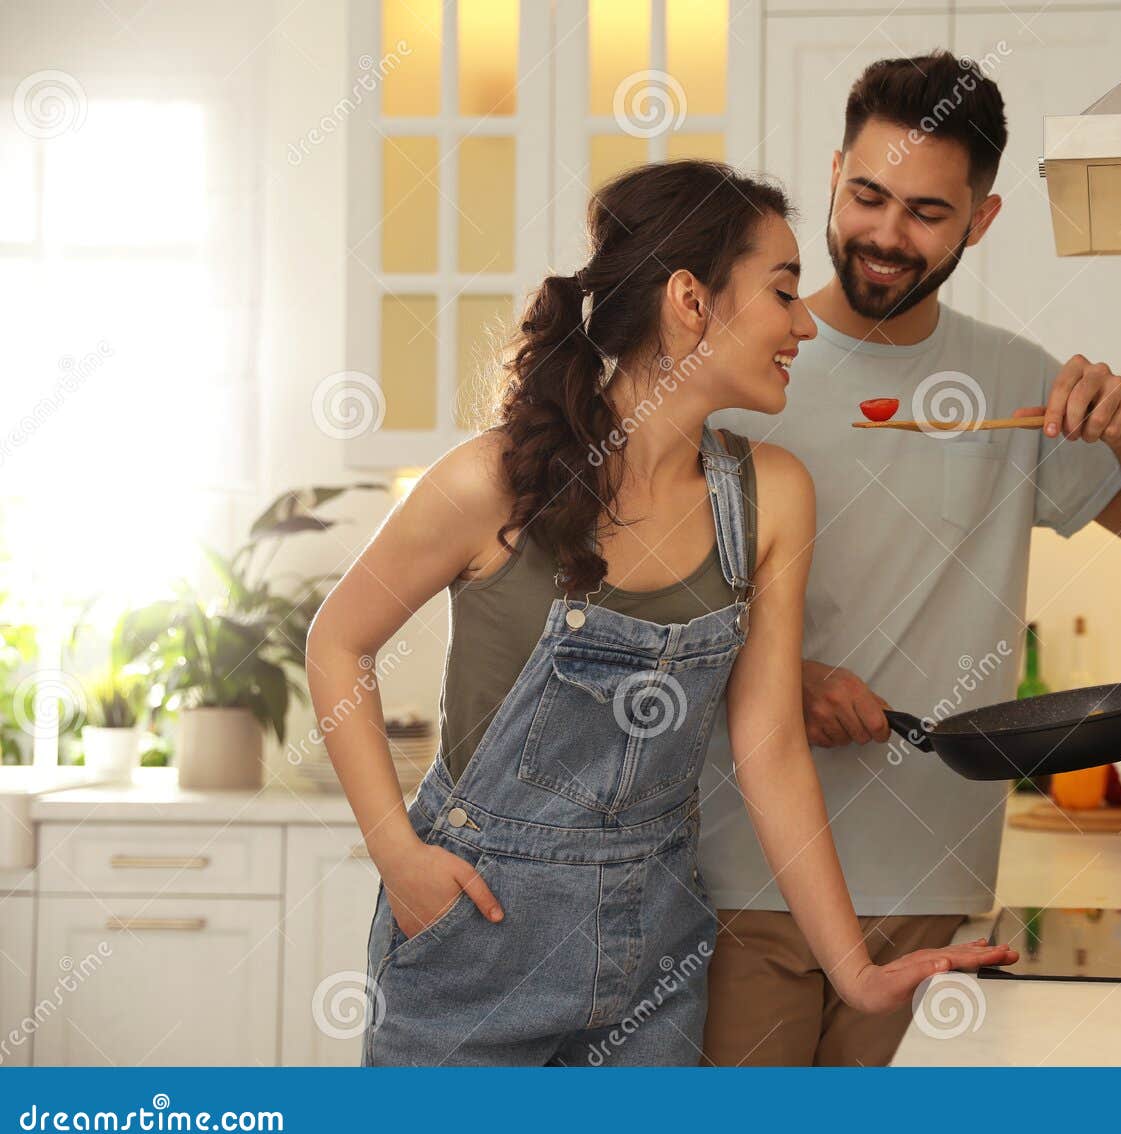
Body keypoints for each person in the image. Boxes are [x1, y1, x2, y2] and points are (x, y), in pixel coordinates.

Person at [306, 159, 1018, 1067]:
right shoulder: (492, 481)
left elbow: (770, 752)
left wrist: (856, 973)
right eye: (783, 291)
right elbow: (337, 641)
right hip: (475, 943)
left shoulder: (771, 498)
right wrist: (397, 854)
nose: (805, 322)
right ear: (691, 300)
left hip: (655, 961)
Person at [699, 52, 1121, 1066]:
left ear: (979, 221)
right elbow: (642, 597)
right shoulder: (746, 367)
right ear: (834, 177)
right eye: (868, 195)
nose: (886, 234)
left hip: (932, 882)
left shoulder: (1018, 384)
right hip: (742, 871)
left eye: (927, 212)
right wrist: (783, 678)